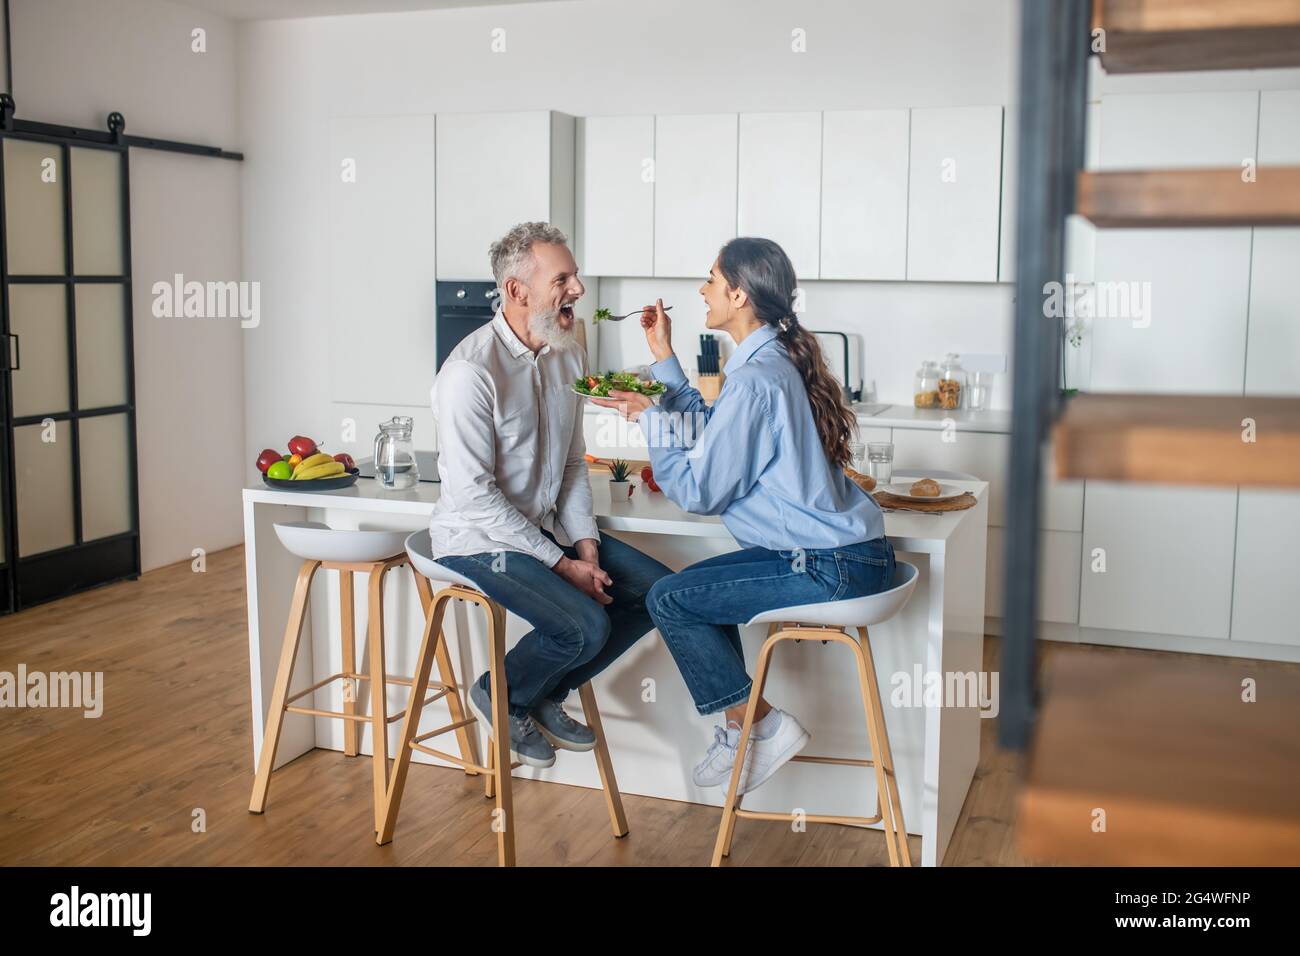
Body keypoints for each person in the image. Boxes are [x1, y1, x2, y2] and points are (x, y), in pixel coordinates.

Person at [592, 236, 895, 794]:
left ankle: (758, 724)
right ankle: (746, 728)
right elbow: (714, 434)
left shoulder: (756, 378)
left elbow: (701, 489)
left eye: (710, 280)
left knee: (668, 598)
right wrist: (663, 356)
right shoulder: (770, 362)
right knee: (687, 593)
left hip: (829, 566)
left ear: (737, 294)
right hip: (847, 556)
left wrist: (650, 420)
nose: (702, 291)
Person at [429, 221, 671, 768]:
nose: (578, 290)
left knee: (660, 593)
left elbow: (570, 462)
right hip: (478, 536)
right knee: (585, 625)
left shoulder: (567, 355)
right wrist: (562, 565)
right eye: (563, 279)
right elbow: (475, 498)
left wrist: (585, 544)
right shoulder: (469, 373)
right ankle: (503, 691)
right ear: (518, 292)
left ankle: (539, 695)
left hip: (542, 529)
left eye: (575, 276)